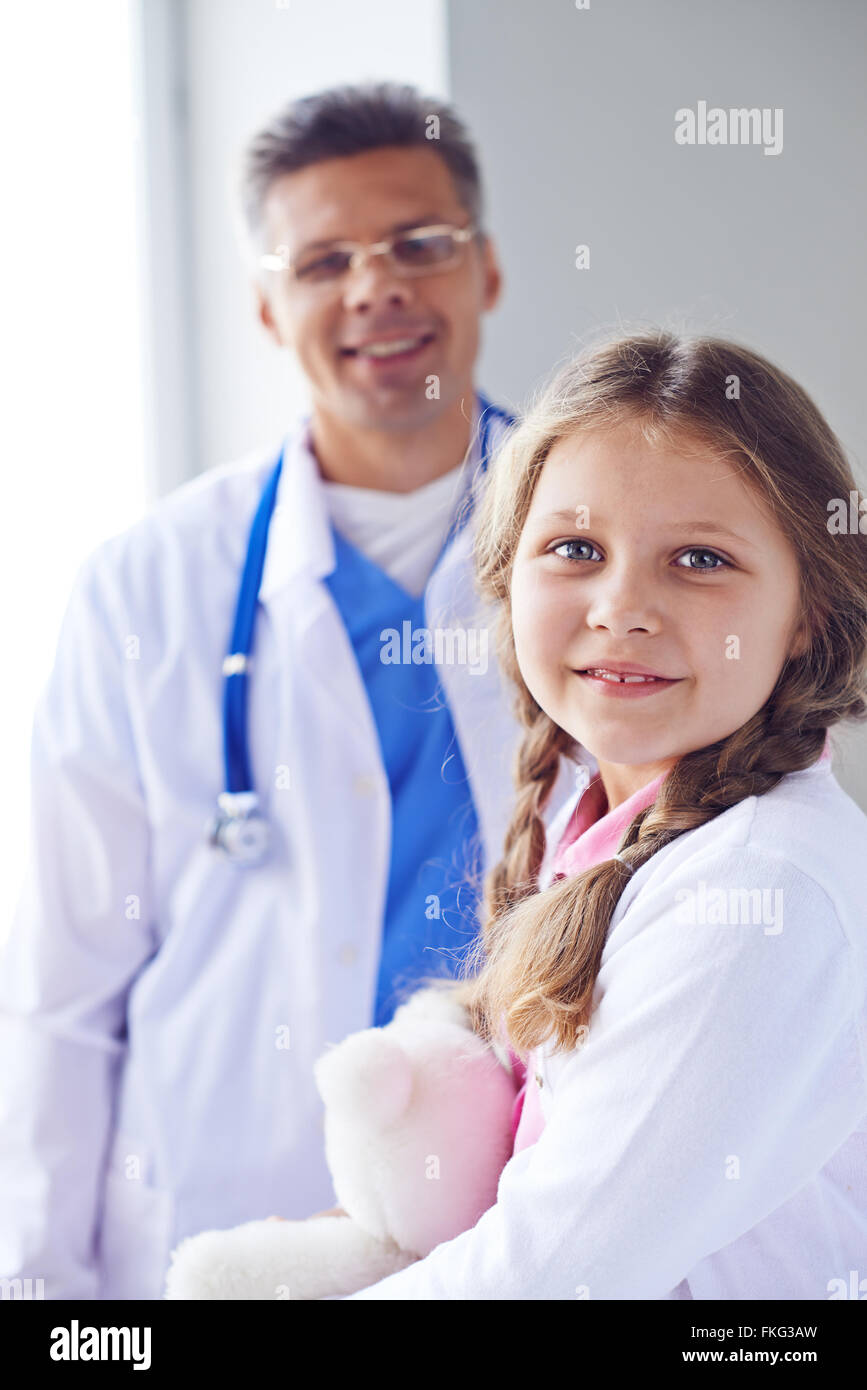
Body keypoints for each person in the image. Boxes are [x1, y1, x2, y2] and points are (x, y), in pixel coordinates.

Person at [0, 82, 573, 1300]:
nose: (377, 288)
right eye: (324, 260)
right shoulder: (144, 587)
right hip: (217, 1224)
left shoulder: (595, 549)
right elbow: (61, 991)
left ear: (488, 270)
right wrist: (41, 1292)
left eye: (420, 244)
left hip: (525, 1220)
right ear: (268, 305)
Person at [345, 330, 867, 1300]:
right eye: (576, 548)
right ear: (508, 573)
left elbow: (550, 1274)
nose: (622, 607)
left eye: (700, 558)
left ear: (807, 611)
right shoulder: (591, 805)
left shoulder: (761, 893)